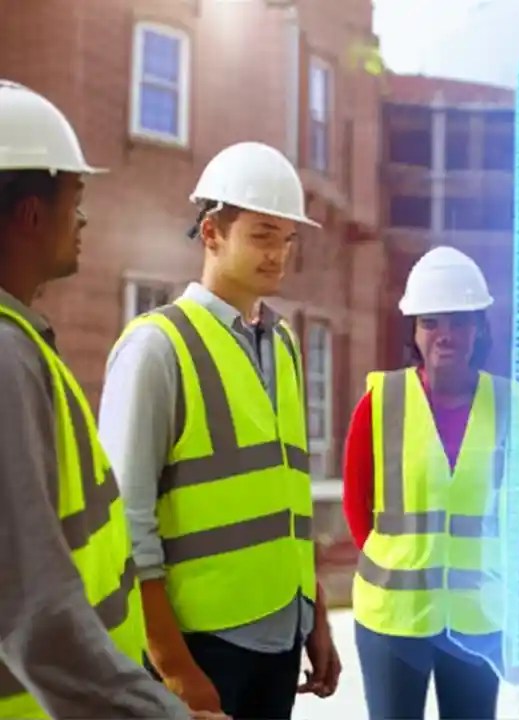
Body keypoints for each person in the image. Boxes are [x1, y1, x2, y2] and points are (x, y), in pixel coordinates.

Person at [98, 141, 342, 719]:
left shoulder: (282, 345)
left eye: (287, 239)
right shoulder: (156, 348)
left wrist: (314, 615)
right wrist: (175, 669)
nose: (278, 255)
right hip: (200, 648)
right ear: (212, 233)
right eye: (261, 235)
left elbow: (284, 497)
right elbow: (126, 528)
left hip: (280, 638)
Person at [0, 81, 220, 719]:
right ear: (30, 213)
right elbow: (34, 612)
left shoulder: (22, 344)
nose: (85, 218)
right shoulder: (7, 360)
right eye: (77, 197)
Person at [343, 245, 511, 720]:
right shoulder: (380, 402)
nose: (446, 334)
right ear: (413, 330)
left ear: (479, 328)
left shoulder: (510, 405)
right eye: (431, 322)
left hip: (478, 619)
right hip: (392, 622)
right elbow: (358, 506)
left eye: (459, 321)